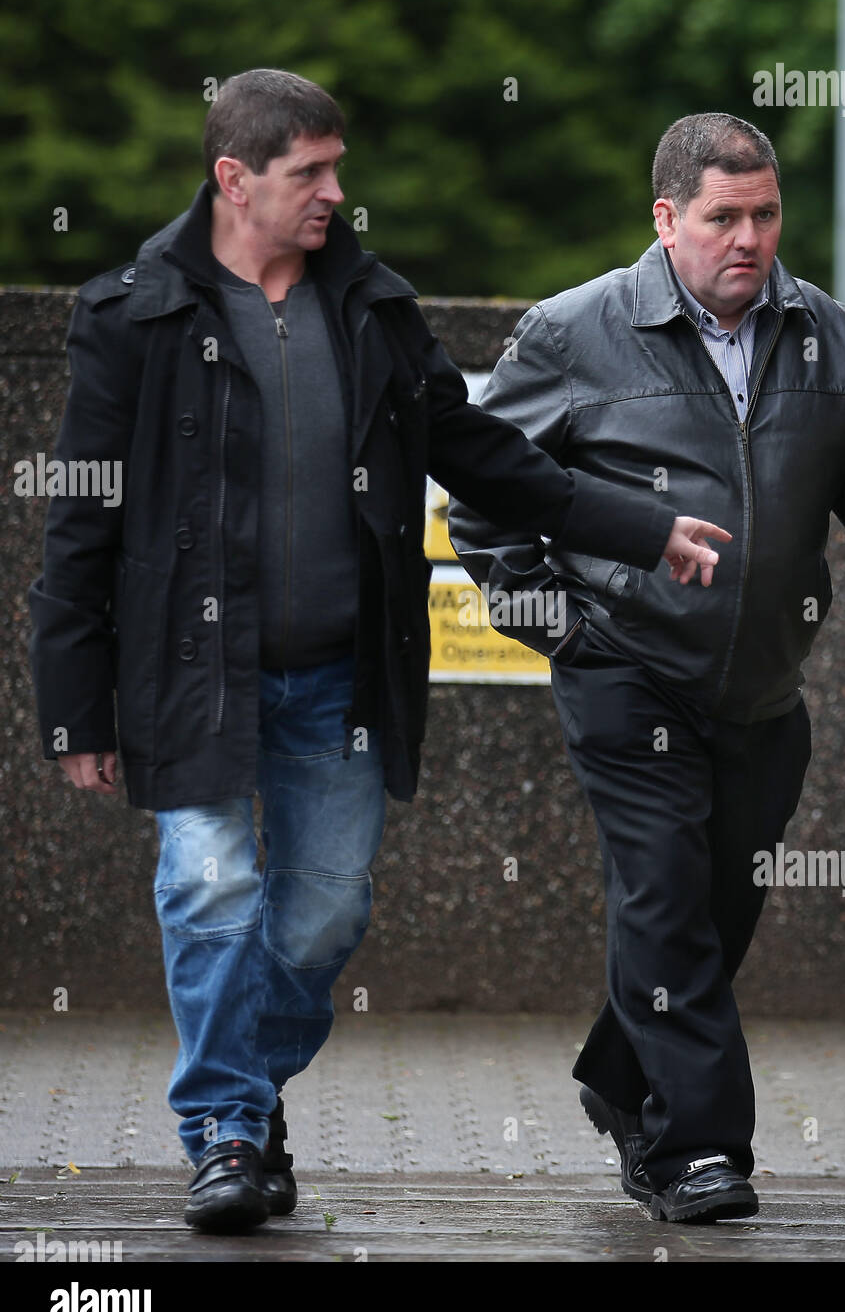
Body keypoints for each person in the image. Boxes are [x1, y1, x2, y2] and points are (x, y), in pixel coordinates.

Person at [27, 71, 723, 1233]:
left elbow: (483, 452)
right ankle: (228, 1131)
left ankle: (246, 1096)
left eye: (337, 167)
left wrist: (641, 526)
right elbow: (79, 522)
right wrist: (74, 705)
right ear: (233, 179)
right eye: (311, 173)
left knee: (319, 921)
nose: (336, 193)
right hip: (187, 673)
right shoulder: (132, 312)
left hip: (340, 677)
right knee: (209, 889)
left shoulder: (375, 309)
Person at [448, 112, 845, 1224]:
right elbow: (483, 502)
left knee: (717, 910)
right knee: (667, 900)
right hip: (624, 670)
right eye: (722, 217)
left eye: (765, 214)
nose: (748, 237)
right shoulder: (572, 332)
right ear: (666, 218)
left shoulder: (832, 338)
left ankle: (618, 1072)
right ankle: (698, 1150)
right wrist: (566, 630)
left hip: (765, 689)